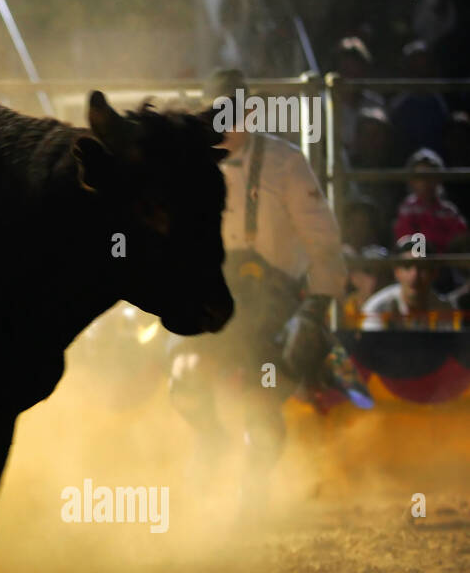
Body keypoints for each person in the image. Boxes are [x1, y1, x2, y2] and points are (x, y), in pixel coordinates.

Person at [169, 71, 347, 519]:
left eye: (236, 113)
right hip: (211, 295)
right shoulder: (189, 165)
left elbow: (324, 244)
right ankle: (210, 439)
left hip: (273, 301)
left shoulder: (286, 163)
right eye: (218, 114)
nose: (228, 124)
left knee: (263, 396)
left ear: (251, 114)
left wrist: (315, 307)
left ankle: (253, 488)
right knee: (185, 376)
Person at [362, 234, 454, 329]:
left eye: (422, 267)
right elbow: (372, 342)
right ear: (396, 272)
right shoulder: (378, 307)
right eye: (407, 266)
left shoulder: (445, 309)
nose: (414, 275)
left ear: (434, 272)